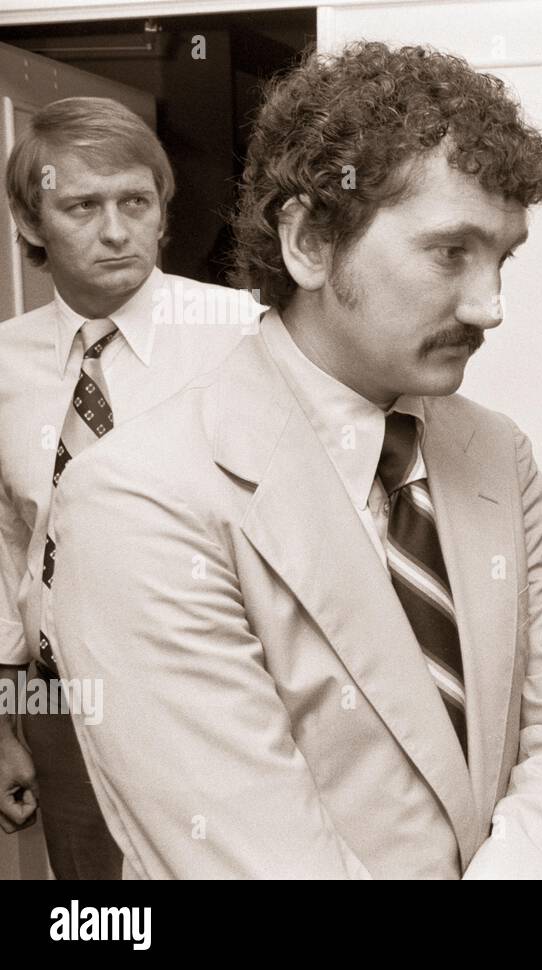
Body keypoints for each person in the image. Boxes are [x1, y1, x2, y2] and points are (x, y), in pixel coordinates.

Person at [48, 42, 542, 879]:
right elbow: (255, 858)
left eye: (504, 258)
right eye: (450, 251)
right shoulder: (136, 498)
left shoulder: (495, 451)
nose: (489, 305)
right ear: (311, 241)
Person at [0, 97, 253, 878]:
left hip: (219, 706)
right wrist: (8, 719)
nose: (116, 231)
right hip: (62, 708)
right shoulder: (3, 365)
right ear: (31, 221)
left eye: (135, 202)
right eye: (83, 206)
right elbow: (10, 542)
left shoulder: (246, 336)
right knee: (99, 920)